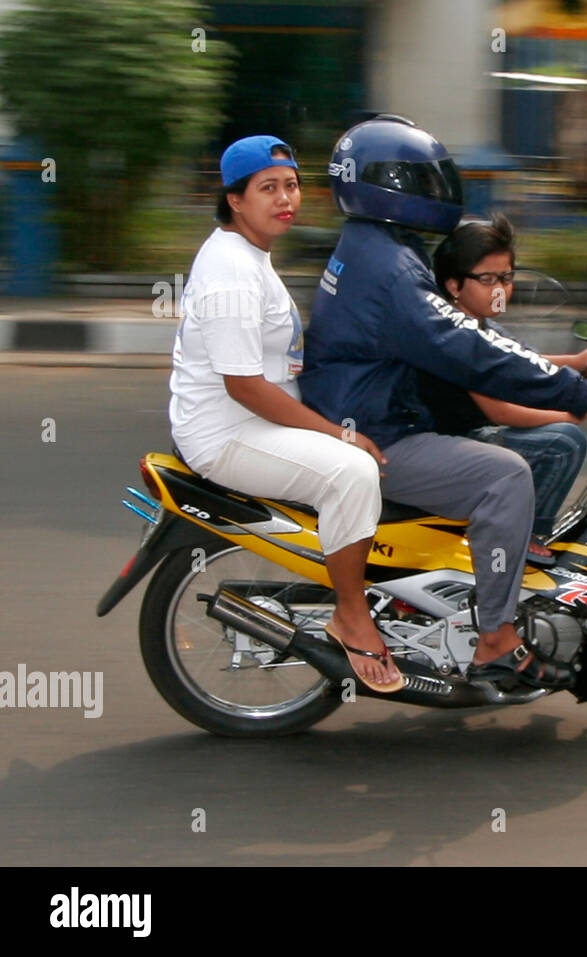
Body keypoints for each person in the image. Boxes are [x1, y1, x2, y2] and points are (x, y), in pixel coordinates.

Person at [299, 115, 587, 690]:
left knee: (533, 451)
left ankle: (480, 587)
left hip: (368, 416)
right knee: (504, 476)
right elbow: (473, 351)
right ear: (392, 187)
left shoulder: (377, 247)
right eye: (428, 183)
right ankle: (497, 642)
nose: (442, 195)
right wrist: (580, 393)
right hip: (382, 434)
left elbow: (480, 342)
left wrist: (570, 373)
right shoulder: (392, 272)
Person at [169, 135, 403, 694]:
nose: (285, 199)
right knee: (352, 472)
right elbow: (244, 386)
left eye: (292, 185)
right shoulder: (230, 269)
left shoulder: (249, 254)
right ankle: (351, 614)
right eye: (267, 188)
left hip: (251, 419)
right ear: (235, 199)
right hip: (227, 432)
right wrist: (337, 435)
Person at [430, 213, 587, 565]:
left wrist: (579, 361)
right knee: (561, 442)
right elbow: (500, 411)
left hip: (468, 436)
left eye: (507, 277)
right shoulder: (458, 337)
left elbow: (525, 362)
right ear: (454, 285)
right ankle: (526, 533)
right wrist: (572, 412)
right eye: (488, 279)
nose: (501, 289)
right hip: (451, 445)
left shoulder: (477, 324)